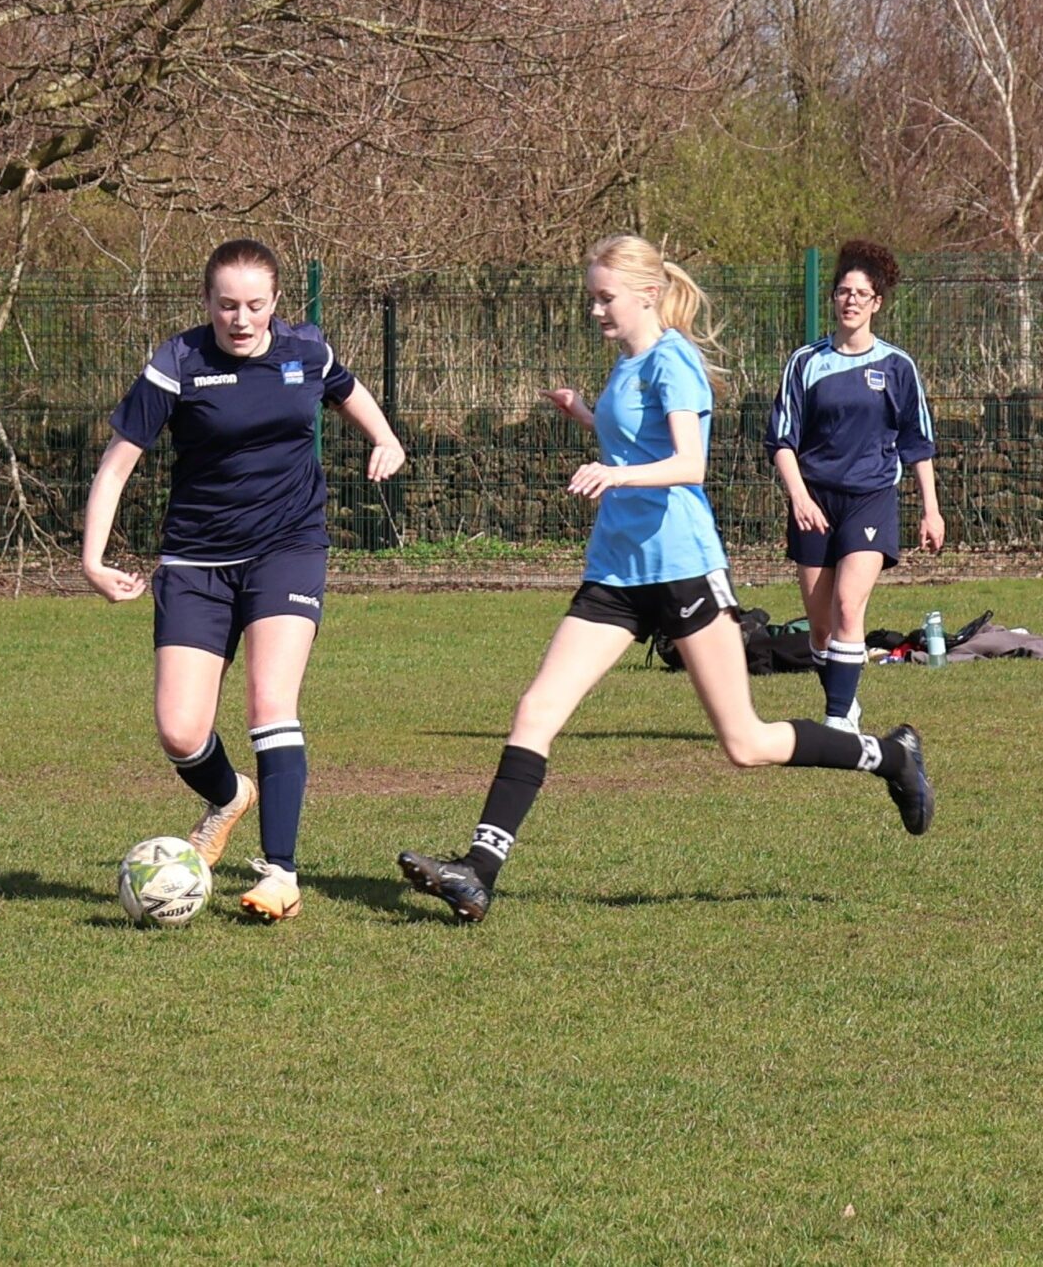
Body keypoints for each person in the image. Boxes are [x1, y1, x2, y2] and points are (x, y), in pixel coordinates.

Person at [397, 235, 931, 924]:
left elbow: (687, 465)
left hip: (681, 570)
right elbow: (636, 445)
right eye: (592, 296)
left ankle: (890, 755)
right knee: (536, 710)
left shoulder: (672, 361)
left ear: (645, 294)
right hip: (616, 571)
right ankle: (479, 871)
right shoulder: (627, 366)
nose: (595, 310)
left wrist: (614, 473)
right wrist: (588, 420)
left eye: (604, 297)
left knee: (745, 742)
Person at [83, 239, 406, 922]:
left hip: (288, 549)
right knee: (179, 730)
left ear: (275, 304)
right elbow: (116, 466)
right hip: (197, 562)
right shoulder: (178, 363)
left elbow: (346, 389)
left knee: (270, 702)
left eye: (255, 305)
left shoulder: (304, 351)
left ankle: (280, 874)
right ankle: (230, 794)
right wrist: (92, 558)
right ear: (206, 303)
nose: (241, 318)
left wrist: (385, 437)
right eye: (227, 305)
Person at [765, 239, 942, 732]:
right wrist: (798, 496)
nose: (850, 300)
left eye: (860, 294)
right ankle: (843, 698)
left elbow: (917, 442)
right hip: (814, 501)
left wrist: (931, 510)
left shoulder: (896, 367)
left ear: (877, 303)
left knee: (849, 605)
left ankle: (838, 718)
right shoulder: (805, 362)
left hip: (870, 498)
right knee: (820, 628)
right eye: (843, 292)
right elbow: (781, 440)